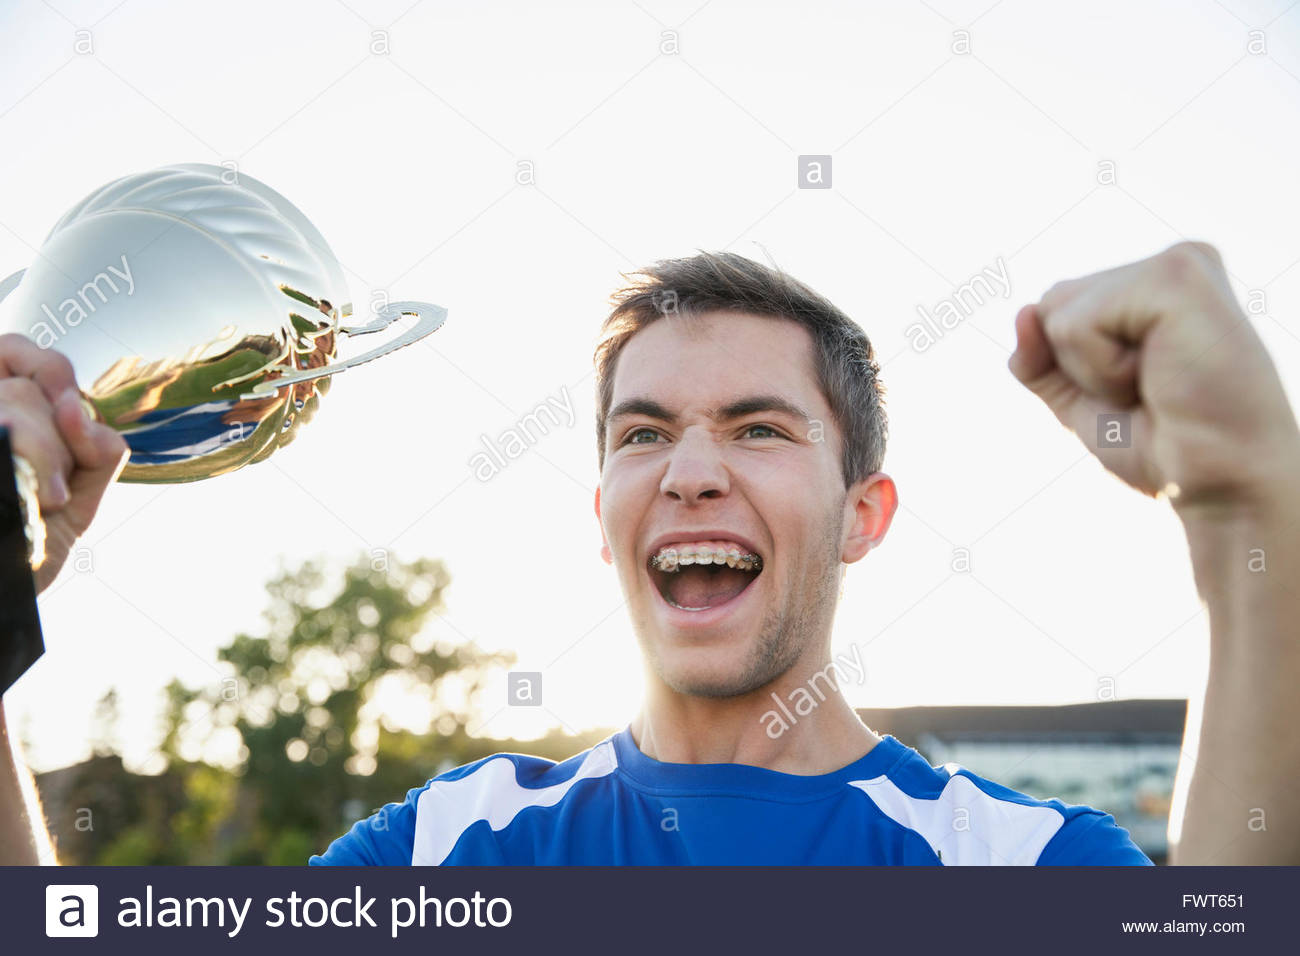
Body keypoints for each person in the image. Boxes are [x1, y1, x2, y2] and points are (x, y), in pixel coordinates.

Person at [2, 243, 1296, 864]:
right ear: (603, 512)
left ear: (865, 514)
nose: (690, 471)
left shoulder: (1011, 866)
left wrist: (1246, 512)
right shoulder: (451, 848)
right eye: (644, 433)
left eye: (760, 427)